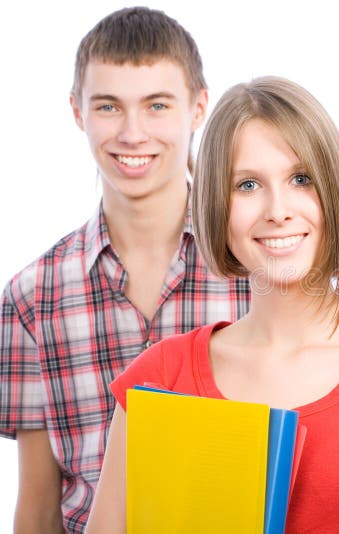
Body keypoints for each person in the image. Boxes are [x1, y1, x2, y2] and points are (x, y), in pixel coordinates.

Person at [86, 76, 339, 533]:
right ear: (216, 208)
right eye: (247, 185)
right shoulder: (159, 379)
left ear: (334, 191)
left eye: (301, 179)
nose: (277, 209)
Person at [0, 8, 250, 532]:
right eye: (109, 106)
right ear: (77, 111)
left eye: (157, 105)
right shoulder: (32, 297)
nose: (132, 133)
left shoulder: (256, 269)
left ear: (198, 106)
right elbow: (39, 508)